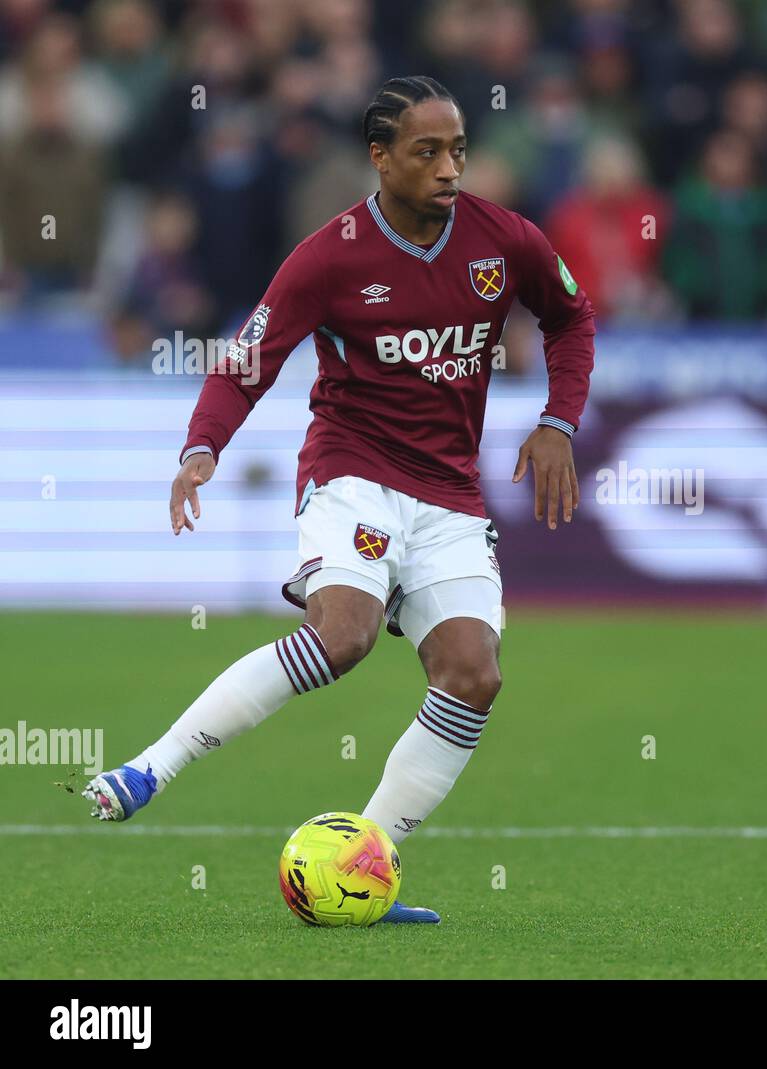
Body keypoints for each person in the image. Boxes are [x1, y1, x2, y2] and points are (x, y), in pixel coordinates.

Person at [82, 76, 596, 924]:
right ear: (380, 157)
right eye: (426, 151)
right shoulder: (331, 254)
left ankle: (367, 860)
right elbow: (253, 355)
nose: (447, 168)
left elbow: (571, 320)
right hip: (351, 472)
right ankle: (151, 766)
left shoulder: (505, 241)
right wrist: (202, 444)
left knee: (474, 674)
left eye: (458, 150)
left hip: (450, 494)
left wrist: (557, 421)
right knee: (344, 636)